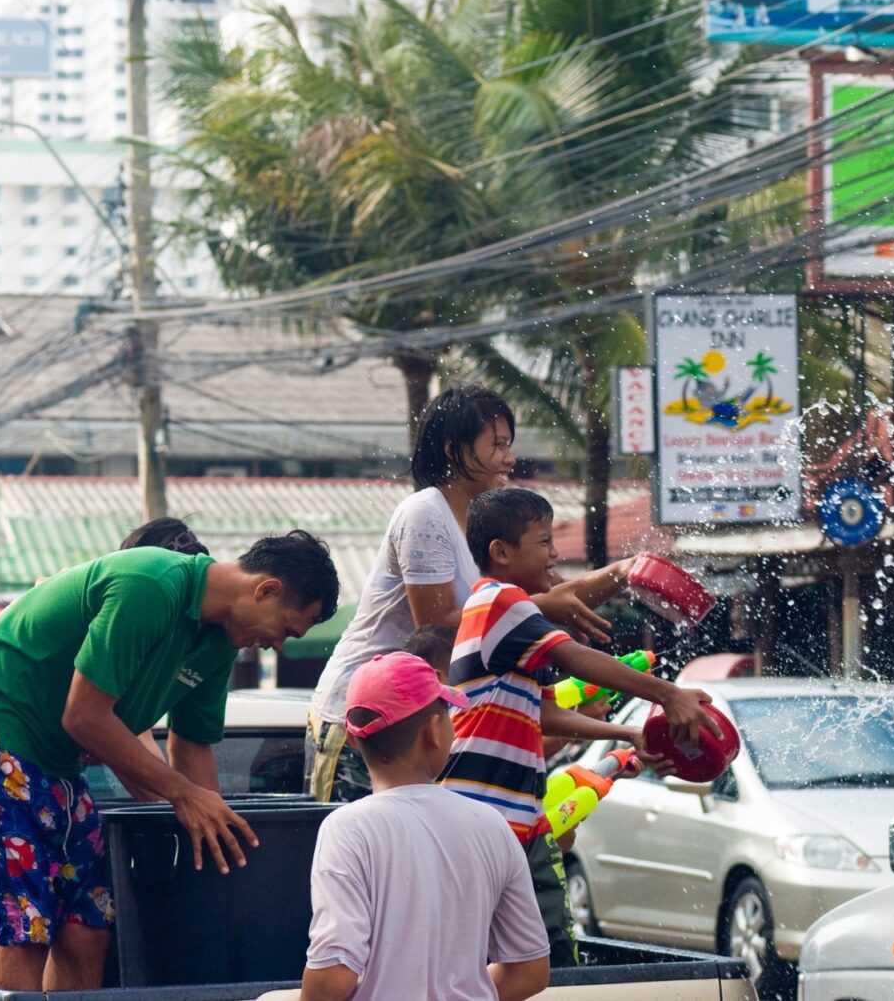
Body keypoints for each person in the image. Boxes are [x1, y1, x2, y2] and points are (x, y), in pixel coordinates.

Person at [0, 530, 339, 990]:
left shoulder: (220, 644)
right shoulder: (151, 584)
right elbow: (84, 716)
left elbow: (190, 746)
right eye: (287, 629)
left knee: (87, 927)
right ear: (265, 589)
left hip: (57, 763)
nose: (278, 646)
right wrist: (182, 795)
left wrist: (217, 847)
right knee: (26, 929)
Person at [307, 385, 638, 803]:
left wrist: (627, 571)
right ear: (453, 449)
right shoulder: (425, 512)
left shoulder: (486, 525)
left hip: (423, 721)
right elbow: (434, 622)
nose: (510, 457)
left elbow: (557, 596)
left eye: (509, 444)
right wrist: (540, 606)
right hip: (363, 718)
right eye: (497, 444)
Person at [443, 486, 718, 967]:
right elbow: (578, 658)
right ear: (501, 552)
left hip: (510, 821)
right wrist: (667, 694)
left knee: (515, 961)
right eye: (544, 542)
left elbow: (544, 712)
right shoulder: (501, 602)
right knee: (533, 961)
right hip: (486, 820)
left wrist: (628, 735)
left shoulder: (503, 614)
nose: (554, 556)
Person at [297, 651, 548, 1001]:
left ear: (353, 740)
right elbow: (530, 969)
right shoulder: (490, 824)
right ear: (433, 731)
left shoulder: (347, 828)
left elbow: (333, 975)